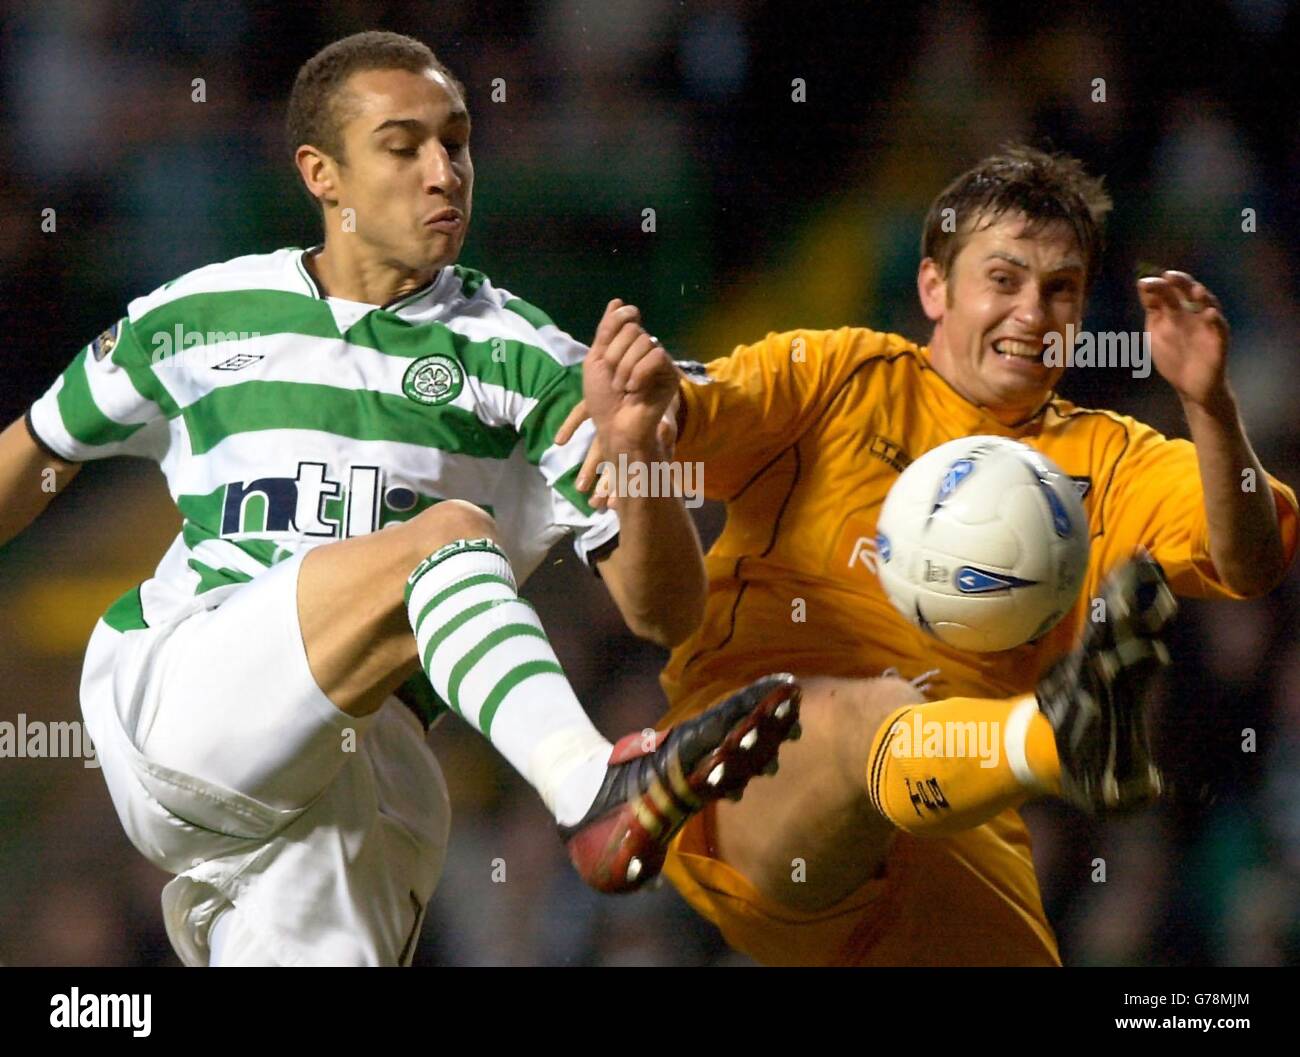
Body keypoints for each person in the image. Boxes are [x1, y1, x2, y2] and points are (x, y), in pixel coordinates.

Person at [0, 31, 800, 967]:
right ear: (322, 174)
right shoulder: (198, 316)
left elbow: (664, 613)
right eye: (403, 145)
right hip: (184, 697)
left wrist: (633, 459)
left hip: (361, 767)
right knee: (451, 537)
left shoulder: (531, 363)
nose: (443, 171)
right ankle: (593, 789)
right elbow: (32, 456)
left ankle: (594, 792)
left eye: (456, 142)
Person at [562, 145, 1297, 965]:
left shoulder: (1112, 458)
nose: (1033, 314)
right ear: (934, 287)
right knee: (864, 710)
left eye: (1062, 291)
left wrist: (1210, 404)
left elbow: (1251, 561)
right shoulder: (836, 375)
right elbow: (679, 419)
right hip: (751, 772)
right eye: (1005, 279)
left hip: (955, 820)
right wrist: (645, 420)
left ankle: (1045, 739)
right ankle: (1058, 739)